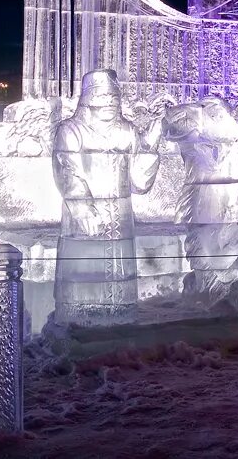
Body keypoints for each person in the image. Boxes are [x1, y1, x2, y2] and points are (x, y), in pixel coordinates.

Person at [52, 69, 163, 324]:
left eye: (114, 96)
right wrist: (82, 207)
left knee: (119, 283)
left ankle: (119, 315)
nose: (110, 102)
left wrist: (149, 146)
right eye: (103, 96)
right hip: (86, 223)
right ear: (88, 99)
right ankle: (77, 318)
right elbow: (66, 170)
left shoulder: (127, 131)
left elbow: (140, 182)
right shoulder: (70, 130)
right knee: (85, 274)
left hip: (120, 222)